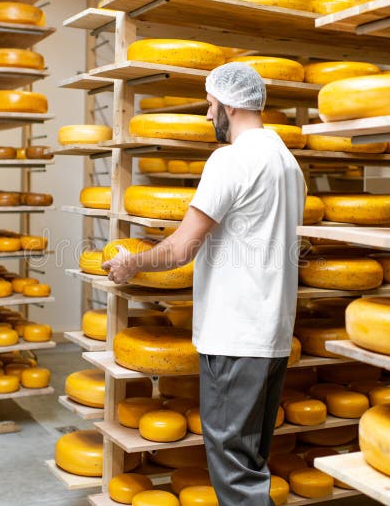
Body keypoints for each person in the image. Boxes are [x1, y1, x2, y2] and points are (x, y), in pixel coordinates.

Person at [102, 62, 306, 505]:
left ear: (230, 105)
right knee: (251, 459)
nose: (206, 113)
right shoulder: (287, 162)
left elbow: (180, 249)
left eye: (210, 104)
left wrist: (132, 264)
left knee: (234, 472)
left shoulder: (231, 160)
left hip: (236, 336)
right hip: (271, 334)